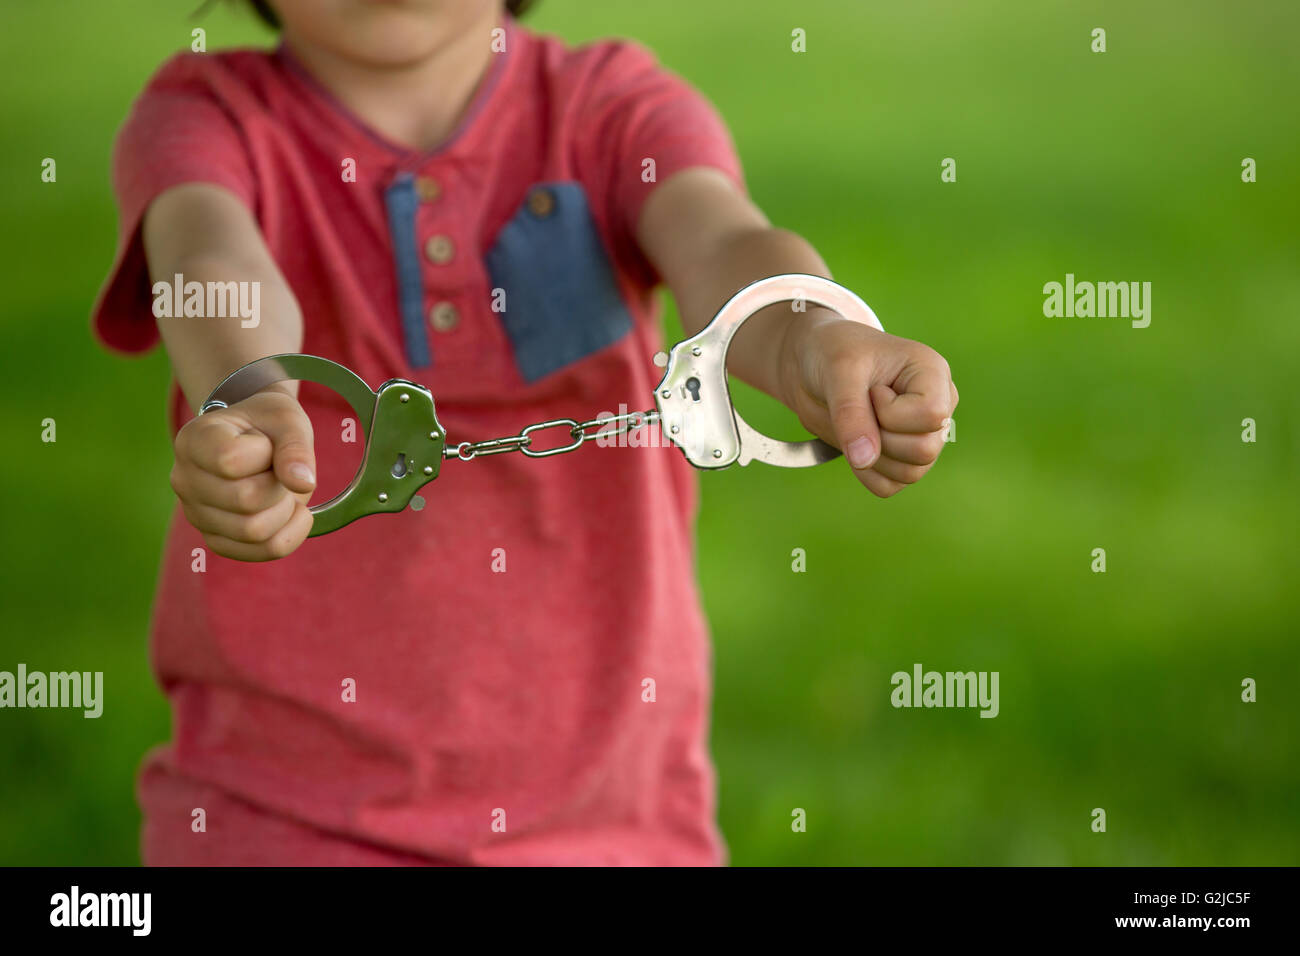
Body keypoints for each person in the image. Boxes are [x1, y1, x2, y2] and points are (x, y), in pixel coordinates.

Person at [93, 0, 957, 865]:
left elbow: (722, 243)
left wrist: (808, 332)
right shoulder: (204, 116)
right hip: (280, 817)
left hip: (610, 821)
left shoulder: (611, 106)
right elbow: (211, 263)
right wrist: (246, 393)